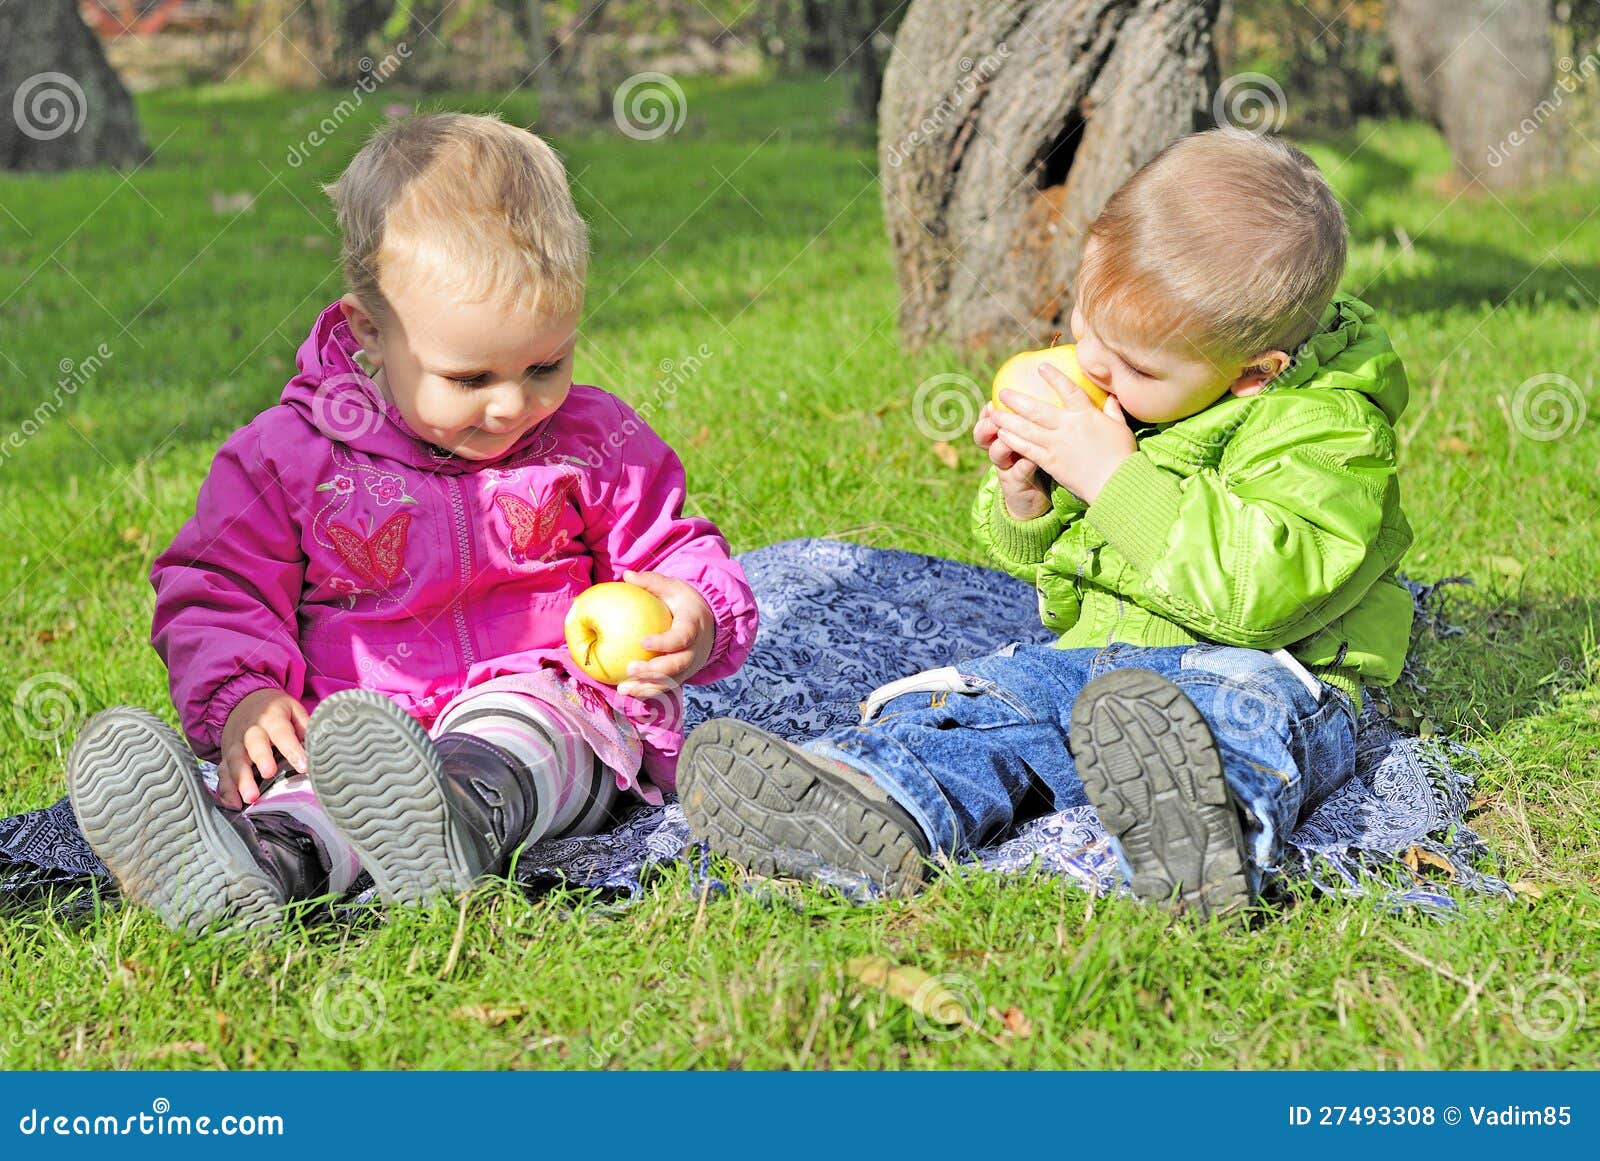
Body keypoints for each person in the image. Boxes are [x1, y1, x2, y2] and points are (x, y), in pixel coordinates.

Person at [681, 129, 1413, 918]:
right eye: (1085, 322)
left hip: (1267, 667)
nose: (1093, 364)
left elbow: (1258, 595)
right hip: (1099, 664)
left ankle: (1204, 834)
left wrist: (1112, 474)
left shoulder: (1328, 431)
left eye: (1135, 365)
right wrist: (1027, 497)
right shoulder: (1144, 392)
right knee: (998, 699)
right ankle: (871, 796)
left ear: (1251, 372)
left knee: (1234, 725)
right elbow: (1056, 565)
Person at [67, 112, 757, 934]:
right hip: (357, 722)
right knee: (310, 786)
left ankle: (454, 822)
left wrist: (695, 611)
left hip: (546, 695)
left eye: (547, 364)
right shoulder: (292, 455)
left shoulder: (592, 441)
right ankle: (247, 868)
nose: (513, 404)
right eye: (470, 376)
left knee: (533, 728)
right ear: (370, 331)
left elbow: (673, 544)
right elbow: (219, 582)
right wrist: (243, 697)